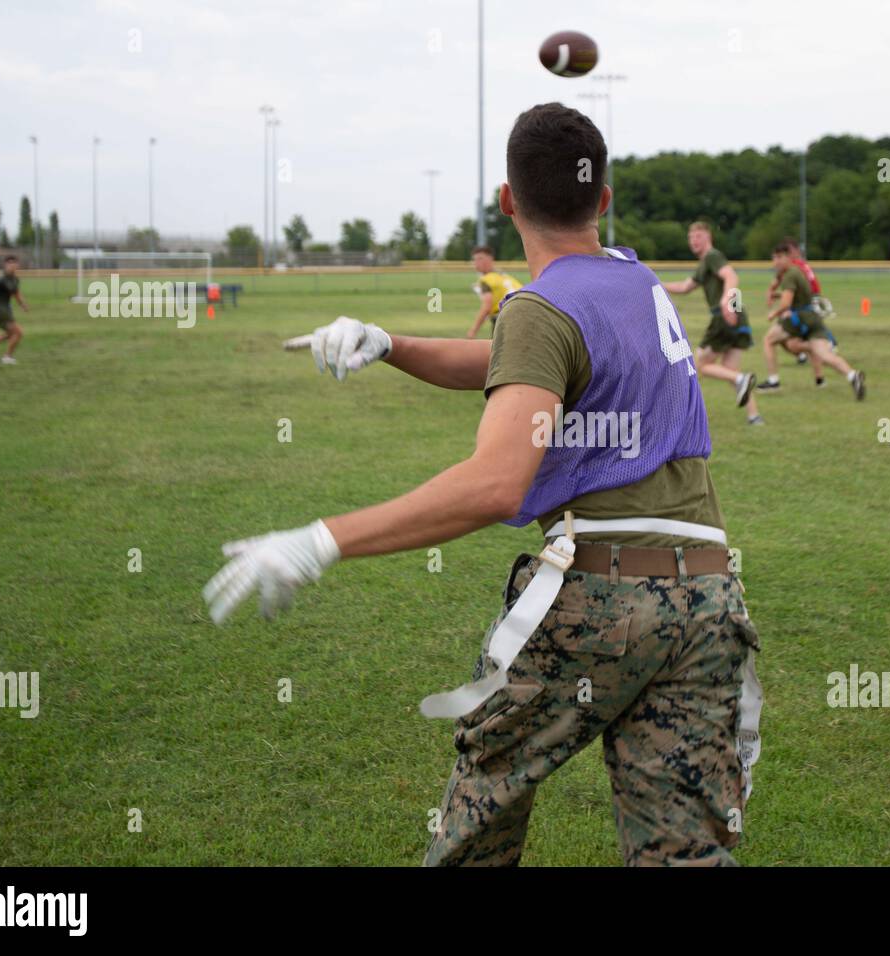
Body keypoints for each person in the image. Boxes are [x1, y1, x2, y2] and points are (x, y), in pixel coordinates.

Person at [202, 102, 762, 867]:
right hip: (707, 599)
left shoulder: (542, 306)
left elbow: (495, 484)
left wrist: (320, 540)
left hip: (603, 596)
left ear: (507, 201)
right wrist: (389, 344)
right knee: (684, 854)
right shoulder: (637, 283)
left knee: (481, 813)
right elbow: (516, 360)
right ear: (603, 199)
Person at [661, 222, 764, 425]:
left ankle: (680, 415)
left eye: (698, 236)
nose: (694, 241)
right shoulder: (704, 264)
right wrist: (656, 284)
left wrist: (727, 300)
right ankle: (755, 416)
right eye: (691, 237)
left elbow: (731, 276)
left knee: (702, 364)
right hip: (736, 314)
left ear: (708, 237)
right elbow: (685, 287)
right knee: (730, 371)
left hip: (725, 314)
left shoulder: (712, 256)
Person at [759, 243, 866, 399]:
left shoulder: (789, 274)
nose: (775, 262)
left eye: (778, 258)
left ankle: (773, 381)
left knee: (768, 340)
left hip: (799, 318)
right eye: (773, 258)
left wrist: (773, 313)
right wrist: (775, 296)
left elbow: (786, 304)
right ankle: (852, 375)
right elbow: (794, 296)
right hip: (812, 317)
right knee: (824, 354)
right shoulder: (797, 271)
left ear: (787, 257)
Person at [766, 237, 837, 363]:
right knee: (804, 326)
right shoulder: (800, 264)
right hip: (811, 298)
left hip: (808, 300)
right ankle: (807, 352)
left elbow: (778, 282)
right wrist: (773, 294)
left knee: (801, 325)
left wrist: (771, 293)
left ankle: (827, 345)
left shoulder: (794, 266)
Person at [465, 245, 523, 339]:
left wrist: (473, 330)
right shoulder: (503, 276)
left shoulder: (486, 280)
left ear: (490, 259)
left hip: (505, 318)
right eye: (474, 260)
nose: (476, 263)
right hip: (521, 315)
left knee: (499, 352)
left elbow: (486, 307)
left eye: (480, 259)